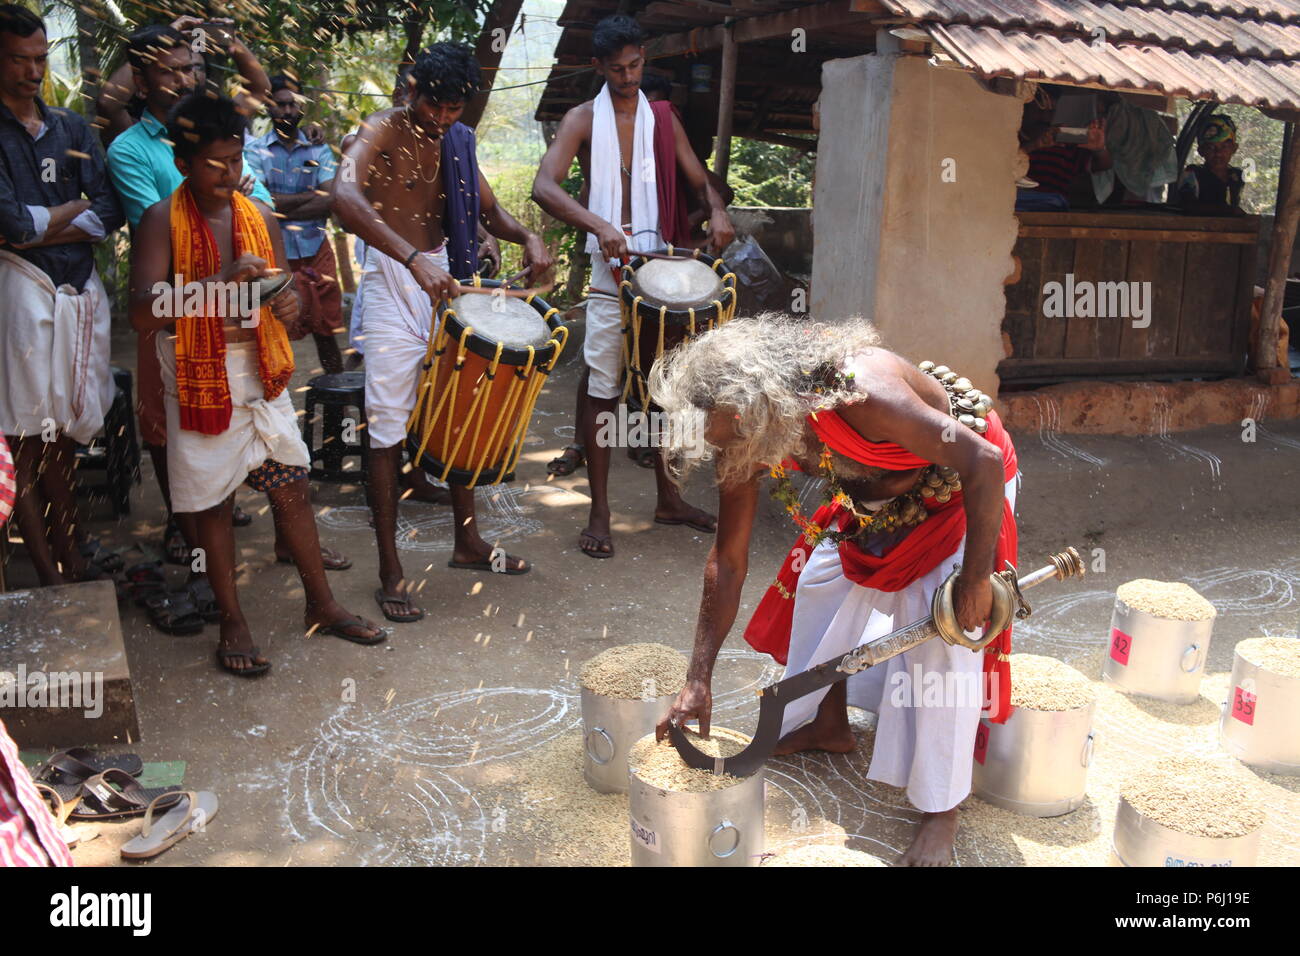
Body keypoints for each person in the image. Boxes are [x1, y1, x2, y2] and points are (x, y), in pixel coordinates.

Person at [650, 315, 1020, 866]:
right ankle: (827, 723)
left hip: (963, 495)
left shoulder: (861, 392)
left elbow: (982, 462)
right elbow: (727, 561)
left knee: (944, 635)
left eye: (722, 427)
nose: (715, 441)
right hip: (877, 503)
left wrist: (972, 582)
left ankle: (942, 810)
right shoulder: (749, 433)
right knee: (820, 583)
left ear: (759, 404)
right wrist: (697, 678)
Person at [130, 93, 385, 675]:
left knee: (291, 483)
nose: (229, 173)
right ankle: (233, 620)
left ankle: (320, 605)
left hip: (257, 372)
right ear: (183, 163)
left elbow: (271, 301)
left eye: (237, 159)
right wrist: (218, 283)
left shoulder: (259, 216)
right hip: (197, 379)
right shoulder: (159, 222)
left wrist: (289, 304)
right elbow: (143, 314)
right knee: (213, 506)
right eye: (214, 163)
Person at [333, 42, 553, 624]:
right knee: (385, 425)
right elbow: (343, 196)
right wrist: (410, 258)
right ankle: (389, 568)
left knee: (461, 405)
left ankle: (468, 541)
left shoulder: (457, 139)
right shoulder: (380, 129)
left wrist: (526, 238)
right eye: (434, 107)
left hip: (448, 278)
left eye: (454, 110)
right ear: (412, 91)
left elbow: (490, 212)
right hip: (393, 279)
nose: (442, 119)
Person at [532, 15, 734, 558]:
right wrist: (599, 224)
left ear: (644, 57)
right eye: (617, 69)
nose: (627, 77)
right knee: (604, 391)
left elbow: (702, 180)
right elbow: (543, 186)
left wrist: (715, 210)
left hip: (659, 268)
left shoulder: (663, 119)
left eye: (635, 66)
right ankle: (599, 512)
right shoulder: (580, 119)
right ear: (599, 66)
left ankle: (669, 499)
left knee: (666, 387)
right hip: (607, 274)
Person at [0, 4, 125, 586]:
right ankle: (49, 573)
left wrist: (44, 220)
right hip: (19, 293)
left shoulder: (72, 128)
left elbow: (109, 210)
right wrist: (67, 212)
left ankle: (72, 554)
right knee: (24, 436)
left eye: (40, 59)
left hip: (77, 289)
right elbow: (9, 227)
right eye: (18, 60)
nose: (32, 72)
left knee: (63, 436)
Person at [245, 73, 345, 373]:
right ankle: (279, 406)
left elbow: (331, 200)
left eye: (294, 104)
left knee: (327, 330)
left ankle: (336, 406)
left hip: (316, 248)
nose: (288, 111)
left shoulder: (319, 149)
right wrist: (309, 196)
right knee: (275, 330)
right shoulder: (255, 150)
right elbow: (260, 205)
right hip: (276, 254)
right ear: (269, 107)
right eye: (281, 104)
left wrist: (279, 203)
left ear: (302, 107)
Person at [95, 16, 270, 149]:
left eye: (190, 69)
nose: (183, 80)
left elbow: (258, 89)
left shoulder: (214, 123)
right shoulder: (133, 138)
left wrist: (229, 38)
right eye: (166, 71)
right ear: (141, 84)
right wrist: (163, 36)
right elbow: (107, 103)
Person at [1176, 114, 1246, 215]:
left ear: (1234, 148)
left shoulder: (1236, 176)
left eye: (1224, 147)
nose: (1218, 153)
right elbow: (1188, 206)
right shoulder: (1191, 174)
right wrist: (1228, 211)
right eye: (1211, 148)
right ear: (1201, 151)